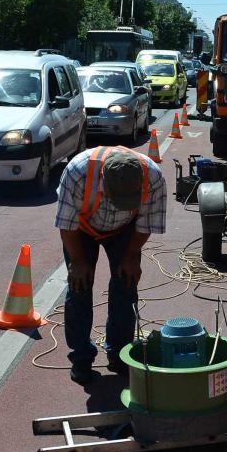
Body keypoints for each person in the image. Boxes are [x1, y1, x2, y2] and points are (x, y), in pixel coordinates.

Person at [55, 146, 167, 385]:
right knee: (79, 287)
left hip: (125, 230)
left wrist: (131, 256)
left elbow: (146, 223)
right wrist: (78, 261)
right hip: (81, 230)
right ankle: (81, 358)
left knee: (126, 285)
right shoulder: (77, 172)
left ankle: (119, 353)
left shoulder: (154, 177)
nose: (120, 204)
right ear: (103, 180)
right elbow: (66, 224)